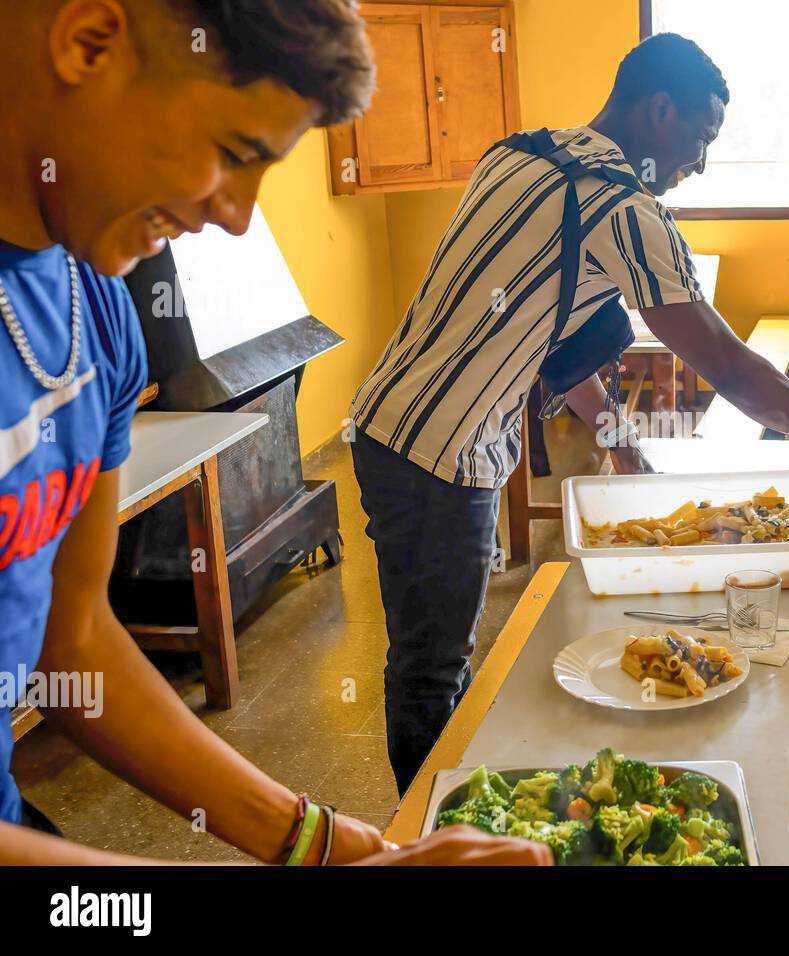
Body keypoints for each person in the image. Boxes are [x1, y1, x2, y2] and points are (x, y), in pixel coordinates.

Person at [0, 0, 546, 866]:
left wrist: (327, 849)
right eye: (232, 153)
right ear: (89, 41)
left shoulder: (92, 305)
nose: (237, 216)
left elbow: (71, 642)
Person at [350, 32, 789, 794]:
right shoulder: (625, 209)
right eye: (702, 136)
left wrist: (621, 442)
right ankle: (424, 835)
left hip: (392, 422)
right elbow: (733, 371)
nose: (702, 162)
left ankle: (440, 814)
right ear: (660, 112)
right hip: (438, 454)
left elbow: (553, 334)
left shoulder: (518, 153)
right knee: (431, 666)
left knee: (430, 654)